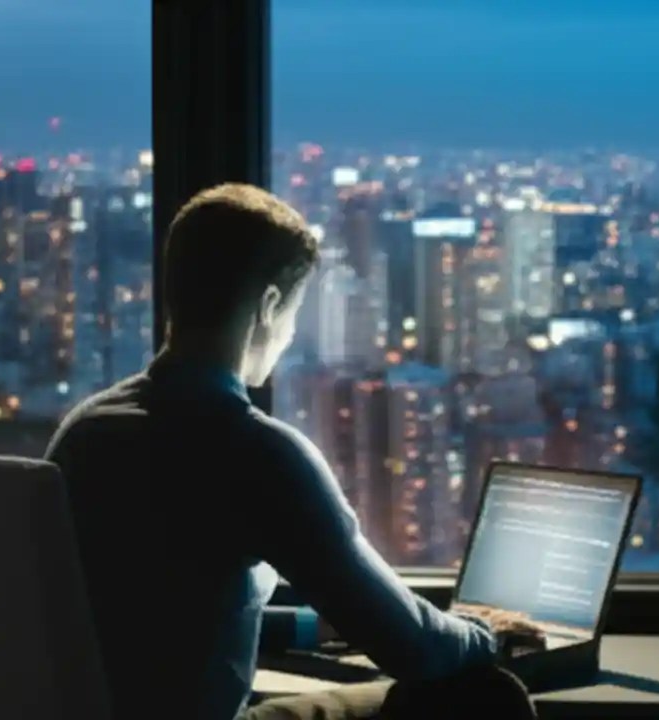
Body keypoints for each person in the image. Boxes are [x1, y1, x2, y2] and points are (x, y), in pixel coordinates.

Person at [45, 183, 542, 719]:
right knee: (486, 695)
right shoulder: (255, 451)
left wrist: (319, 626)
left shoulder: (84, 431)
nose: (286, 338)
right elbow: (415, 648)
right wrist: (484, 636)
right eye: (292, 316)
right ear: (270, 306)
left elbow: (154, 614)